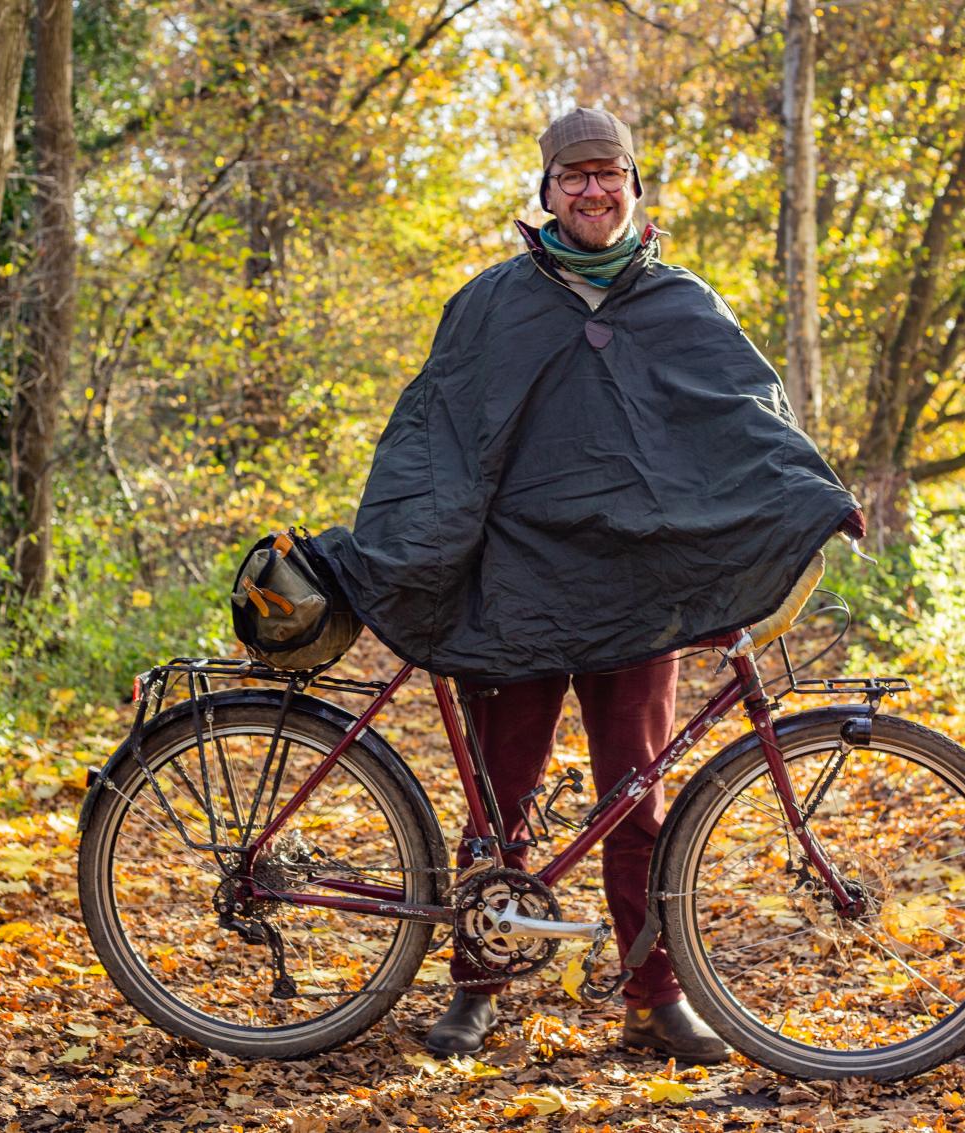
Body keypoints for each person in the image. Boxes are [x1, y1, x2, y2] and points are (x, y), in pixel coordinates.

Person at [311, 107, 864, 1062]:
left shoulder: (683, 304)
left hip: (639, 599)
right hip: (515, 592)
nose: (593, 190)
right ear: (548, 193)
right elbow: (435, 436)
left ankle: (653, 999)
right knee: (500, 797)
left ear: (634, 184)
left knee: (638, 802)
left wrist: (816, 500)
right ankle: (477, 985)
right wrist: (409, 550)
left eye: (608, 173)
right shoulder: (492, 303)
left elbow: (748, 420)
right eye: (574, 177)